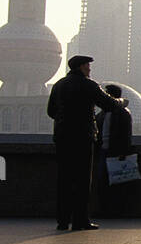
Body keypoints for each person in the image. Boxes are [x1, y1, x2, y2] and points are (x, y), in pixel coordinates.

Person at [47, 55, 123, 231]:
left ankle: (63, 220)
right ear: (81, 67)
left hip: (62, 137)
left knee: (64, 179)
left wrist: (64, 120)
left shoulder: (59, 85)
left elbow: (51, 111)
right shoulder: (88, 85)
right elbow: (109, 104)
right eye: (88, 66)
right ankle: (80, 220)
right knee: (82, 179)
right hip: (82, 137)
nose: (90, 69)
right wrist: (121, 102)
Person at [94, 84, 134, 216]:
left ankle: (115, 210)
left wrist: (124, 152)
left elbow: (126, 135)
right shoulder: (102, 114)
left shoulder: (123, 113)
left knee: (116, 184)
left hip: (115, 152)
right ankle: (103, 209)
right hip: (103, 151)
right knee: (101, 182)